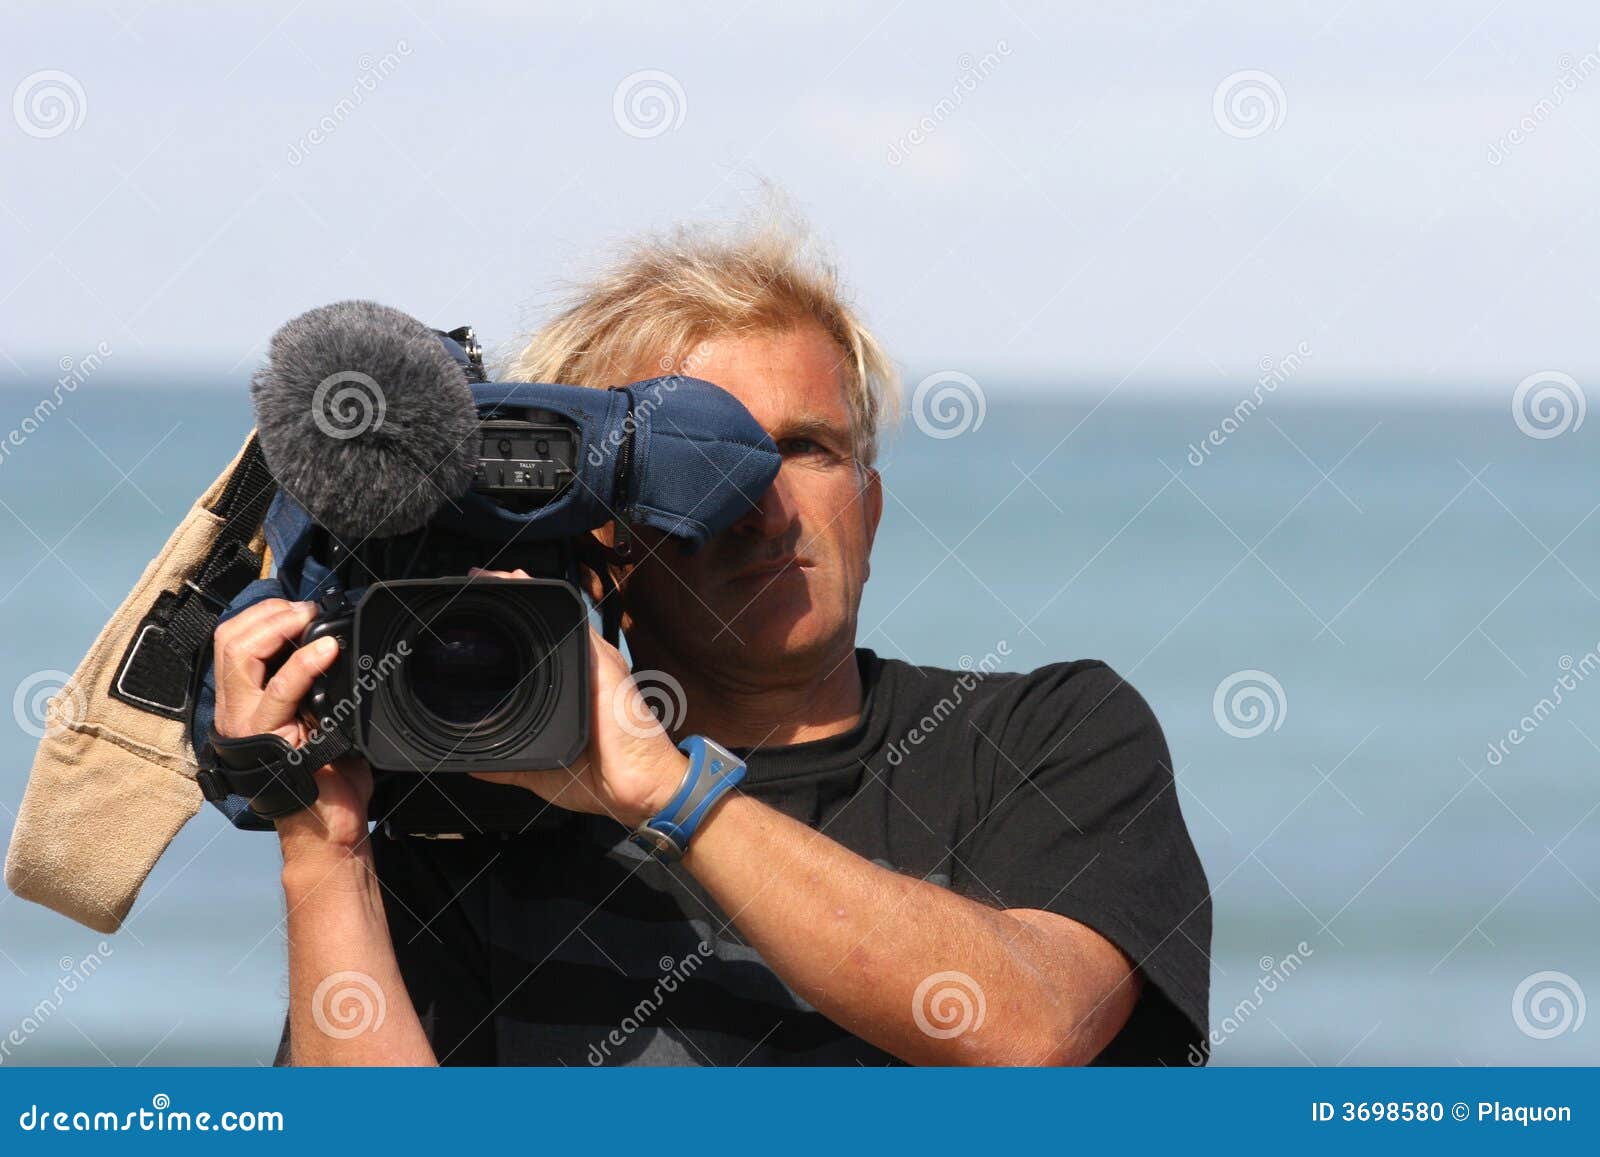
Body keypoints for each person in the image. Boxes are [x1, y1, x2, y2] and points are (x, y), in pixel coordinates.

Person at [209, 216, 1212, 1066]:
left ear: (869, 506)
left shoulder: (1043, 735)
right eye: (693, 469)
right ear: (595, 533)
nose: (766, 507)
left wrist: (665, 790)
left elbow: (1033, 1025)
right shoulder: (480, 826)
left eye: (805, 448)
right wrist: (321, 846)